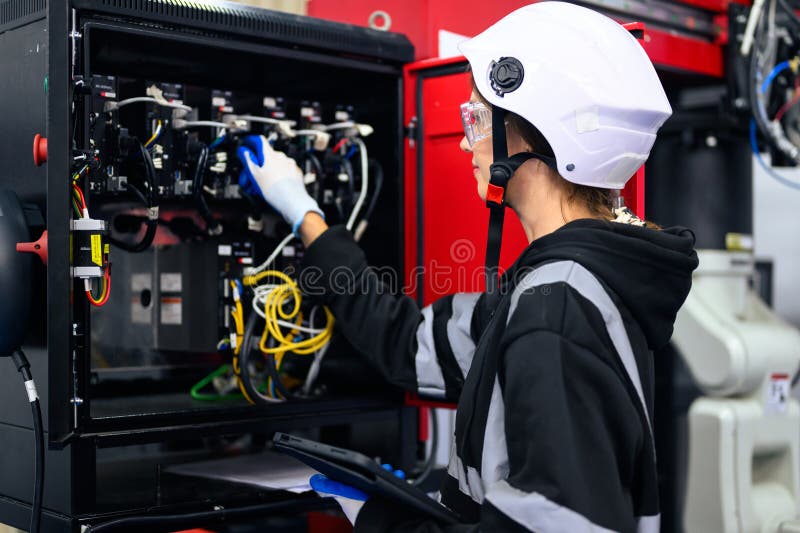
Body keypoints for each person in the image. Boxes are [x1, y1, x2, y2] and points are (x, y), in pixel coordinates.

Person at [237, 2, 698, 531]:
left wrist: (386, 522)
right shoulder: (562, 286)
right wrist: (305, 216)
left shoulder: (557, 315)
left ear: (536, 136)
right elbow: (407, 343)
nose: (464, 141)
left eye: (477, 119)